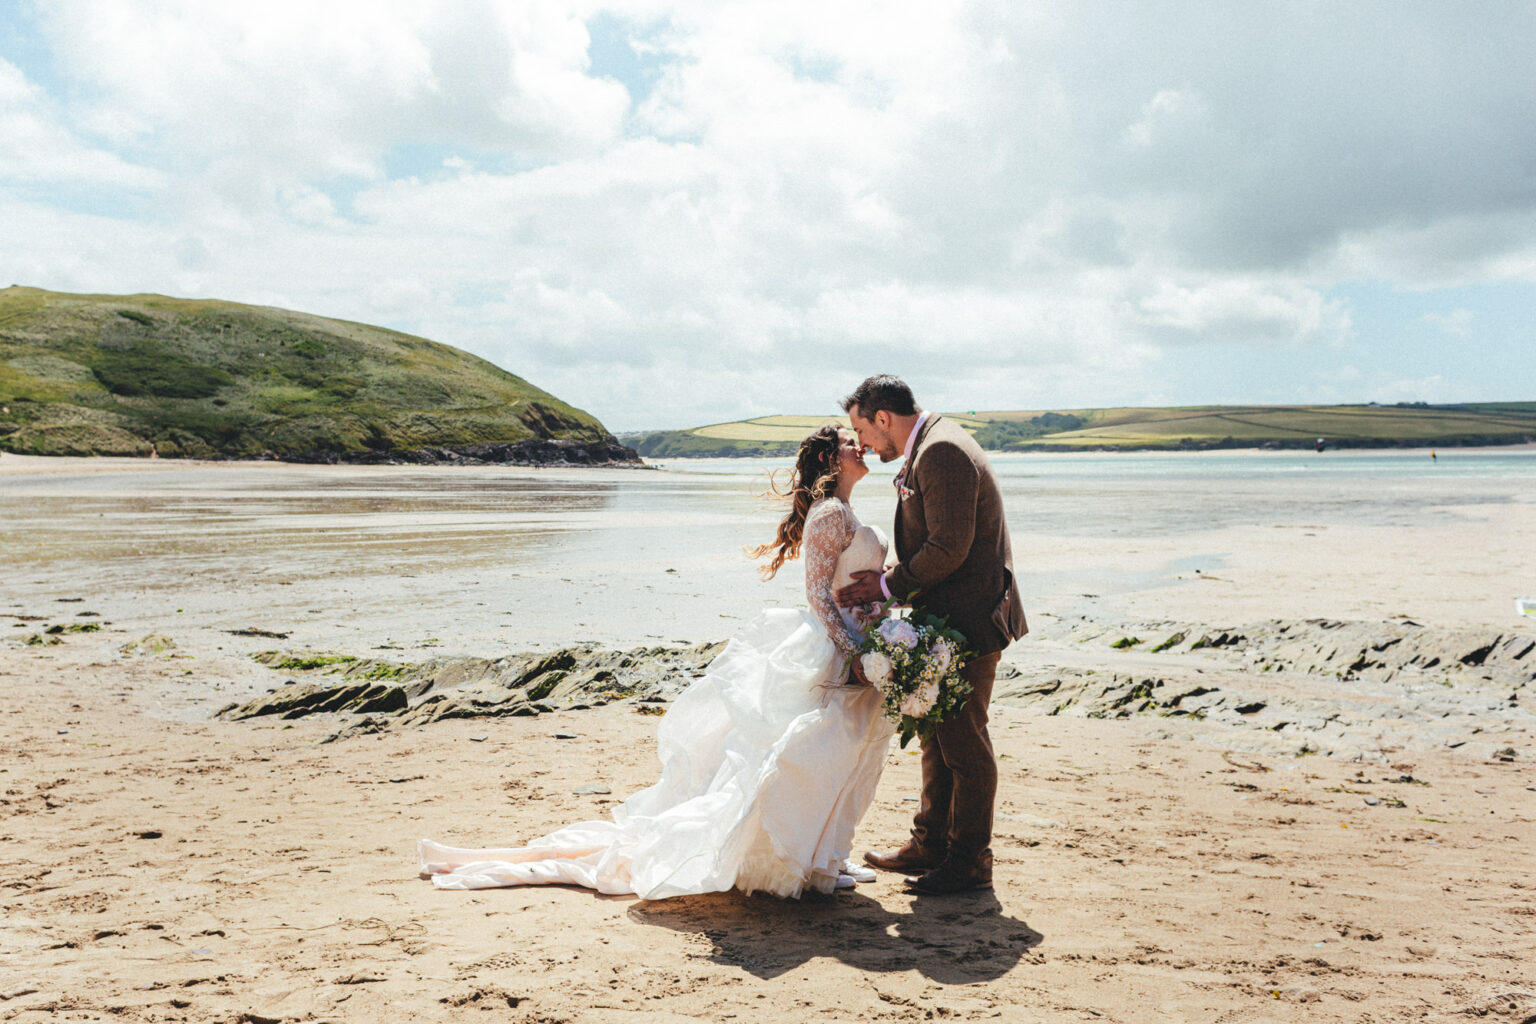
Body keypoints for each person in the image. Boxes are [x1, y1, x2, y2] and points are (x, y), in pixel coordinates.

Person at [418, 425, 895, 899]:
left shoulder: (845, 510)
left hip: (860, 644)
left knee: (847, 751)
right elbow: (816, 595)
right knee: (816, 755)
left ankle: (830, 853)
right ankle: (816, 859)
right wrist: (851, 651)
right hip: (837, 649)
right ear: (832, 461)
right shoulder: (829, 512)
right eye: (850, 444)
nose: (861, 446)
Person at [835, 375, 1027, 895]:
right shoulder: (930, 446)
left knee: (964, 745)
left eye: (863, 429)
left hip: (969, 621)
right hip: (949, 619)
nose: (863, 444)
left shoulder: (941, 452)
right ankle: (930, 843)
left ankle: (969, 860)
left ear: (883, 418)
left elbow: (949, 547)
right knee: (936, 738)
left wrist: (885, 583)